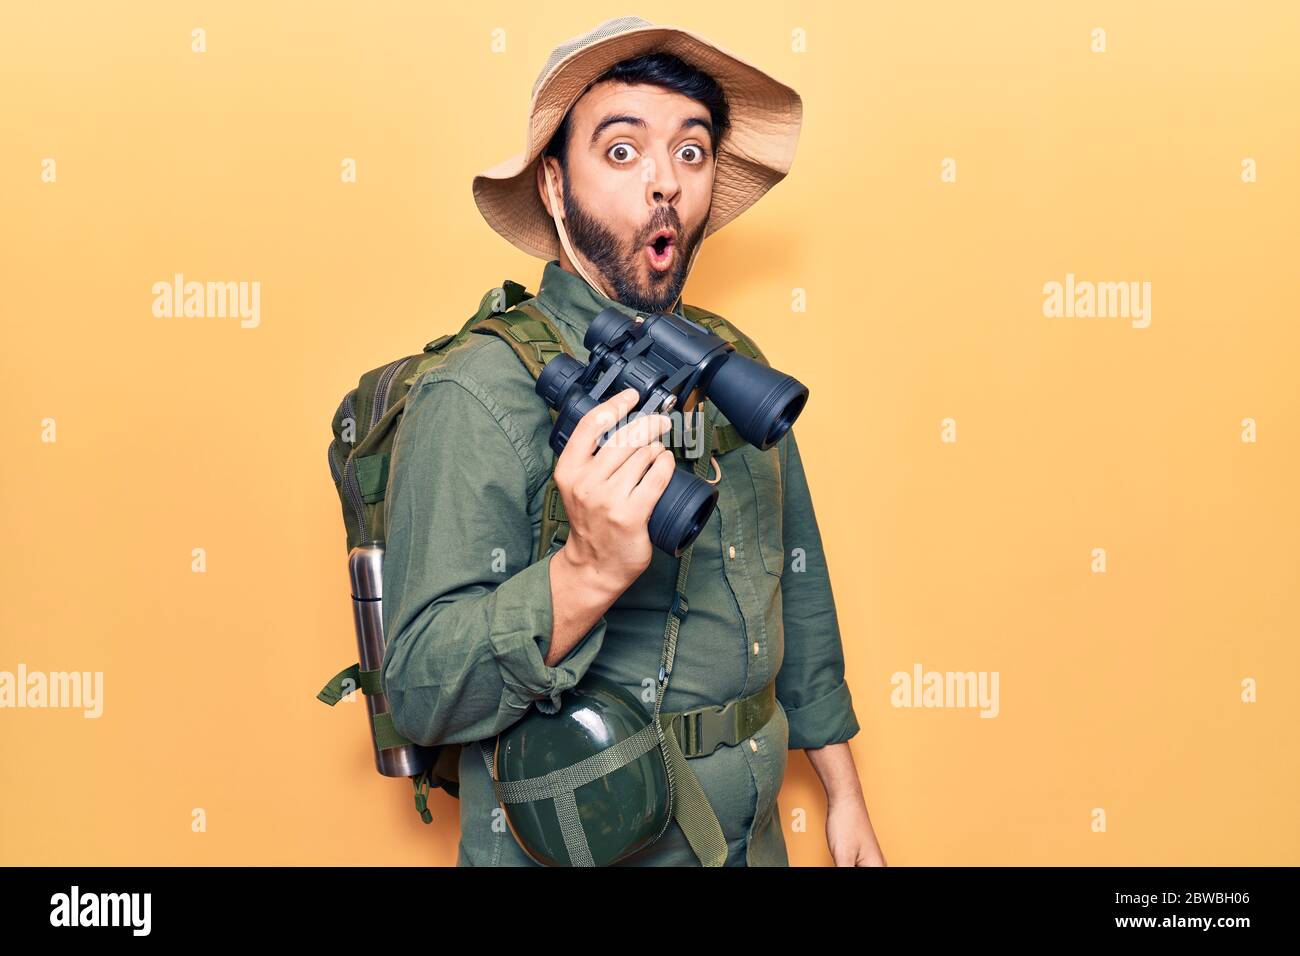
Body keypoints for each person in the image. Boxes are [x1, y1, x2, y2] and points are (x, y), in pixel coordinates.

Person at [381, 15, 886, 866]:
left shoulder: (738, 370)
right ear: (552, 184)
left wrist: (845, 798)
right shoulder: (475, 392)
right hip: (590, 839)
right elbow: (422, 689)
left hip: (754, 844)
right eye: (622, 151)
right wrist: (585, 573)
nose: (665, 184)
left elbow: (799, 591)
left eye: (691, 153)